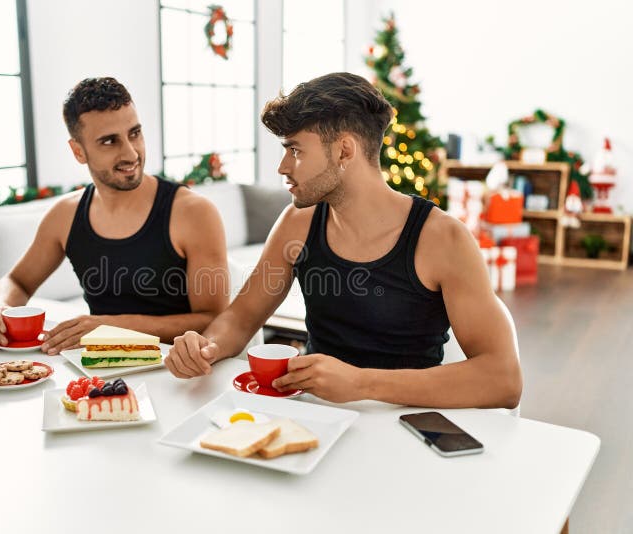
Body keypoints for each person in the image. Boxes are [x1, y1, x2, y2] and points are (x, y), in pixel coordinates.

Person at [164, 72, 522, 409]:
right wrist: (205, 347)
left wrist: (362, 384)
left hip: (407, 425)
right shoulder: (298, 222)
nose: (283, 167)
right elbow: (240, 319)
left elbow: (503, 379)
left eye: (296, 150)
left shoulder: (443, 238)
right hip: (314, 419)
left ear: (344, 151)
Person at [0, 77, 229, 354]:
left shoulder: (193, 213)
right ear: (78, 151)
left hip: (180, 372)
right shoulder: (65, 216)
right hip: (99, 375)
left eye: (134, 133)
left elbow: (213, 320)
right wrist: (0, 310)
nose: (130, 152)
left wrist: (109, 327)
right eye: (110, 141)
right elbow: (16, 282)